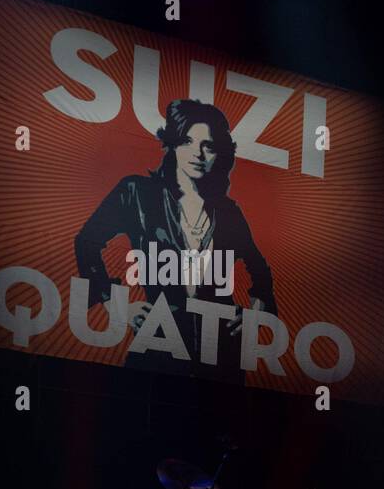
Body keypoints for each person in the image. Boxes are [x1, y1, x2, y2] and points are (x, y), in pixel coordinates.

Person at [75, 98, 277, 380]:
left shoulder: (228, 212)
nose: (198, 153)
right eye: (187, 142)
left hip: (221, 354)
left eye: (208, 146)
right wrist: (115, 304)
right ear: (172, 145)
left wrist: (254, 313)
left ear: (219, 153)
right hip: (159, 342)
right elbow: (87, 242)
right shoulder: (137, 192)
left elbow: (261, 271)